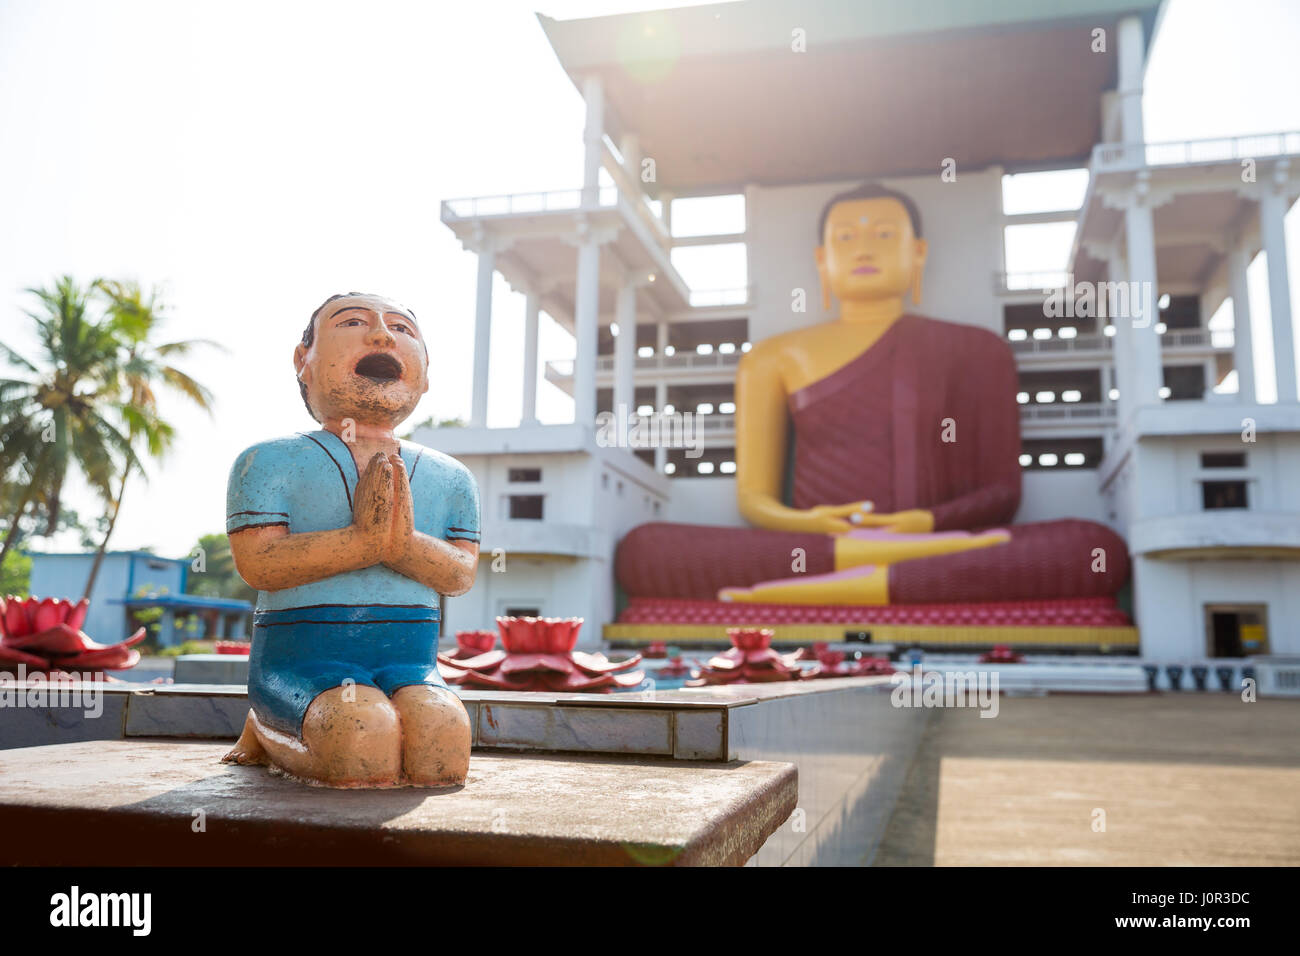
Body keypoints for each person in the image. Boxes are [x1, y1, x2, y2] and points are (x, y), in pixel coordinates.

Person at [616, 183, 1129, 605]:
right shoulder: (773, 357)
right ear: (822, 259)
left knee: (1091, 549)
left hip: (937, 539)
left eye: (885, 234)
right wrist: (808, 524)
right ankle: (883, 572)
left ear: (918, 252)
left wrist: (921, 524)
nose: (864, 248)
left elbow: (1001, 494)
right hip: (815, 544)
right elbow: (753, 498)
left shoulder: (977, 350)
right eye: (845, 237)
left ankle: (826, 585)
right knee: (644, 551)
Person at [221, 292, 480, 788]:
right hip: (301, 655)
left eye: (402, 329)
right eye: (354, 322)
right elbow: (260, 564)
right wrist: (362, 542)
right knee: (358, 732)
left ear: (424, 374)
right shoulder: (267, 461)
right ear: (305, 361)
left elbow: (460, 573)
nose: (383, 335)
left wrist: (399, 545)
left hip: (410, 659)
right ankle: (266, 721)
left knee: (443, 738)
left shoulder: (451, 478)